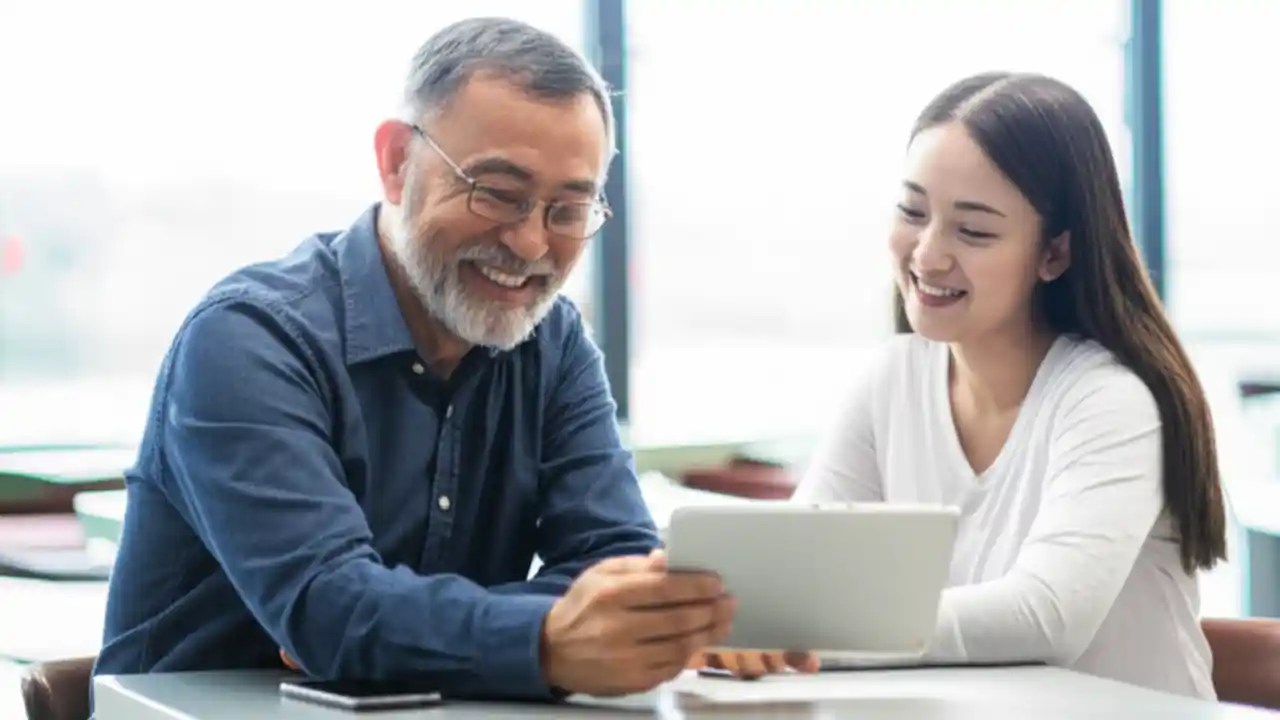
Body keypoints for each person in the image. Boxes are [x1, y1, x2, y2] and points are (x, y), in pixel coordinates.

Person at [94, 17, 743, 700]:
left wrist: (384, 623)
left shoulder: (553, 344)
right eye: (497, 194)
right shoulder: (247, 340)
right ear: (397, 162)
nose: (530, 244)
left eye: (567, 211)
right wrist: (542, 638)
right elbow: (328, 609)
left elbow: (617, 570)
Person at [714, 72, 1228, 698]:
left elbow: (1045, 617)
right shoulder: (892, 380)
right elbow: (801, 575)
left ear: (1055, 254)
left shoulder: (1108, 400)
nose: (927, 255)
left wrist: (808, 637)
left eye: (974, 231)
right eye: (912, 212)